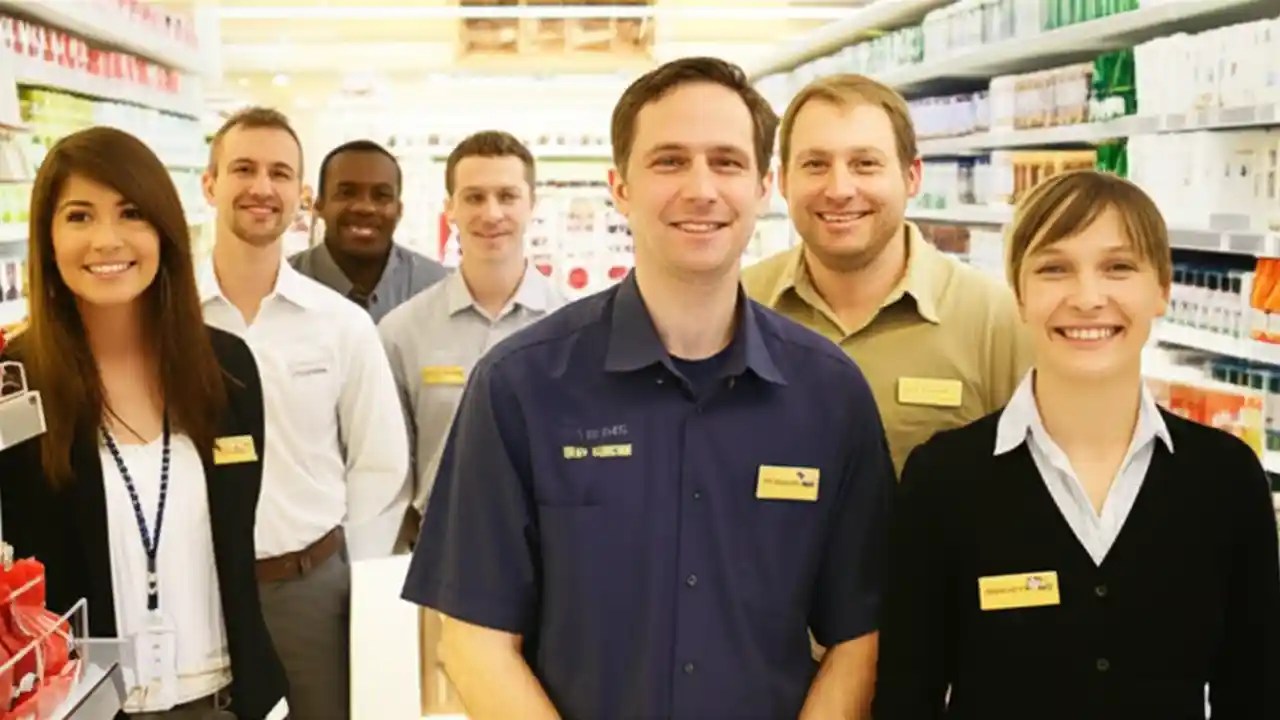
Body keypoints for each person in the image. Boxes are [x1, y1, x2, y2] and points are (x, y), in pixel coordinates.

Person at [402, 57, 895, 720]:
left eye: (726, 162)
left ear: (763, 187)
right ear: (621, 187)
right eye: (669, 161)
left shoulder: (829, 395)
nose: (701, 189)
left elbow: (859, 634)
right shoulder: (519, 386)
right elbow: (474, 639)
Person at [872, 170, 1280, 718]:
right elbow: (906, 698)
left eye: (1118, 268)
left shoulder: (1225, 479)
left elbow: (1254, 693)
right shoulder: (943, 480)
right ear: (1018, 295)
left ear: (1162, 289)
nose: (1088, 298)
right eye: (1054, 269)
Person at [0, 127, 286, 719]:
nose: (107, 239)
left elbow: (236, 536)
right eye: (79, 216)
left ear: (164, 229)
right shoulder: (14, 384)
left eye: (131, 213)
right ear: (48, 237)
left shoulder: (227, 367)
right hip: (84, 705)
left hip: (225, 698)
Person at [197, 107, 410, 720]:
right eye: (243, 169)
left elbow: (380, 462)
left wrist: (338, 569)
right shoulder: (168, 317)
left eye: (280, 173)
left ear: (302, 197)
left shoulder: (340, 324)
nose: (262, 187)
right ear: (210, 184)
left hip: (306, 591)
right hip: (193, 589)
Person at [740, 73, 1030, 475]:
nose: (839, 189)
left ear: (912, 177)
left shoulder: (995, 320)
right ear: (784, 181)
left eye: (865, 164)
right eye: (815, 165)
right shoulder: (737, 306)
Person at [378, 130, 565, 545]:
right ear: (450, 208)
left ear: (532, 204)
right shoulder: (401, 332)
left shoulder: (574, 327)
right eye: (474, 197)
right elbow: (389, 470)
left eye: (507, 196)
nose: (491, 213)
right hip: (439, 549)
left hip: (550, 551)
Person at [290, 139, 448, 322]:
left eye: (381, 196)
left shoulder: (436, 287)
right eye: (347, 193)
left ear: (399, 210)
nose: (365, 208)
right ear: (319, 206)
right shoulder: (282, 284)